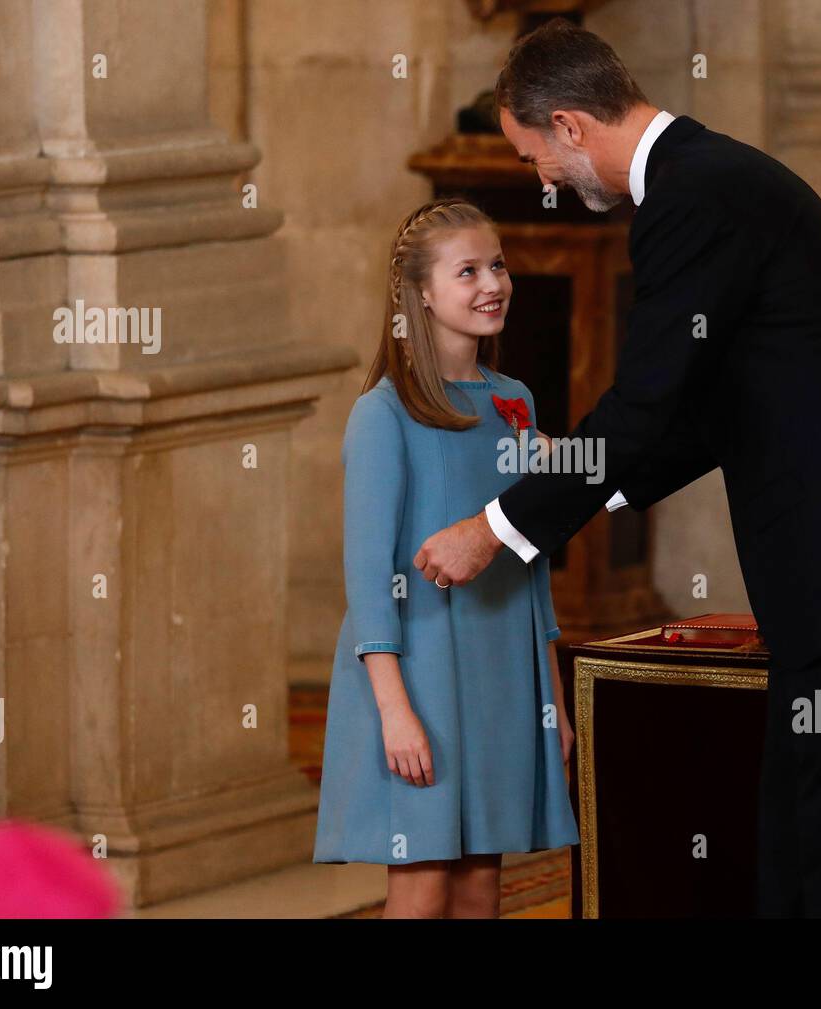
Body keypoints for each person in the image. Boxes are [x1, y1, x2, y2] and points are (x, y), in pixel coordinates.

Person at [415, 20, 821, 917]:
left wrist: (496, 529)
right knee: (809, 830)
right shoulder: (707, 178)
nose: (541, 180)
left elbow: (646, 407)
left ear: (570, 125)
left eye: (534, 156)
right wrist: (575, 480)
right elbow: (696, 411)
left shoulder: (692, 198)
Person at [312, 197, 579, 918]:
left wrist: (551, 701)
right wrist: (395, 712)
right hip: (417, 678)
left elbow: (531, 565)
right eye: (468, 271)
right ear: (422, 293)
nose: (493, 283)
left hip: (499, 669)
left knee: (479, 883)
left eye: (498, 264)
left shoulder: (512, 402)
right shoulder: (384, 412)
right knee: (424, 880)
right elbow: (368, 578)